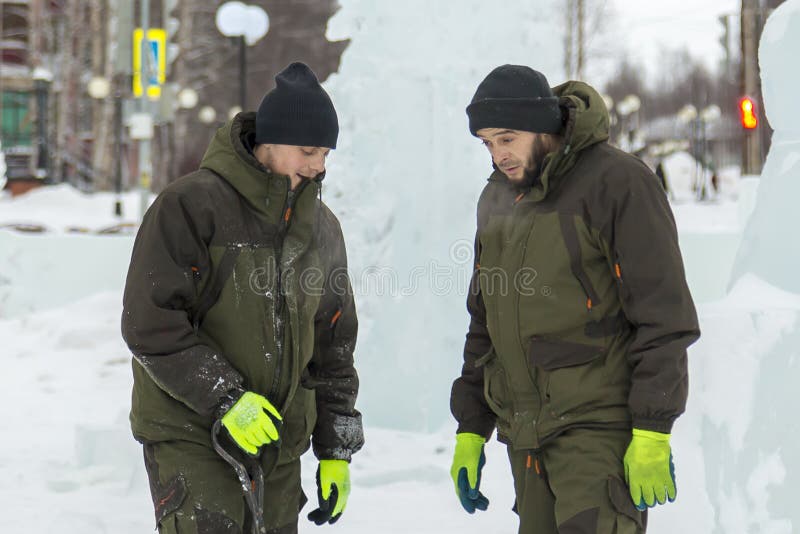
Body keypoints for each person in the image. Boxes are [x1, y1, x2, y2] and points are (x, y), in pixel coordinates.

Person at [449, 65, 700, 533]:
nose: (498, 154)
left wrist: (652, 427)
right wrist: (471, 424)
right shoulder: (499, 197)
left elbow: (664, 316)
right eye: (486, 142)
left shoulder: (618, 182)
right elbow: (486, 320)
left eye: (507, 138)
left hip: (596, 432)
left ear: (544, 128)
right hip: (526, 439)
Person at [122, 62, 364, 534]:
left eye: (325, 153)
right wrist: (227, 398)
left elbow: (334, 342)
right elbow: (150, 323)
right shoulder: (191, 207)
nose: (319, 165)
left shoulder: (322, 227)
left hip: (277, 442)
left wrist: (336, 447)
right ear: (268, 143)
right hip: (193, 434)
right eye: (308, 150)